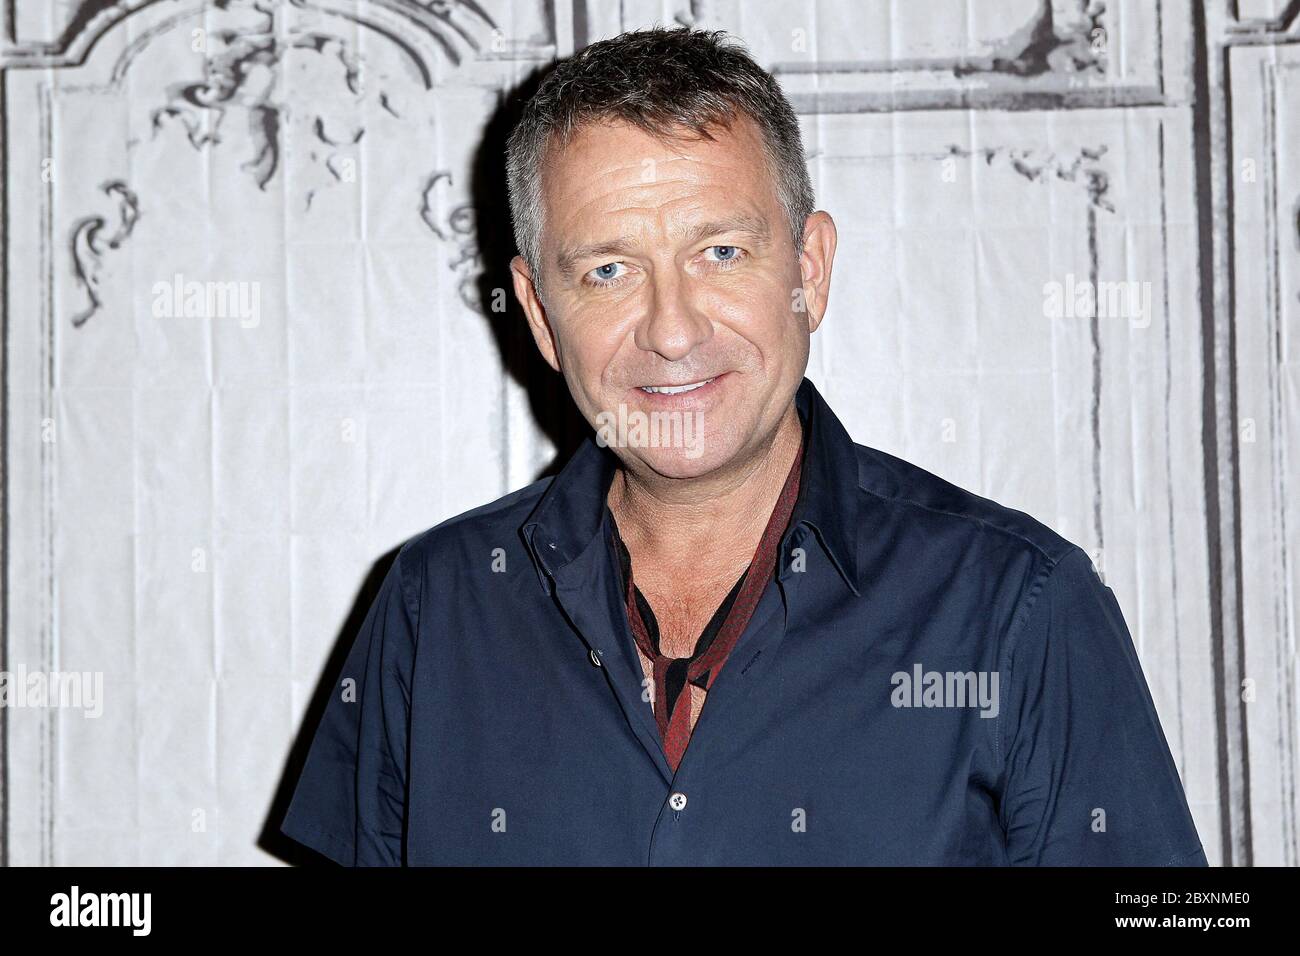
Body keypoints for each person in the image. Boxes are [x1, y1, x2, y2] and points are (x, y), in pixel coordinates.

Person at [280, 26, 1206, 866]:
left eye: (720, 253)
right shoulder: (431, 608)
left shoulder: (1020, 606)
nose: (673, 330)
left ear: (808, 271)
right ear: (539, 315)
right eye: (609, 271)